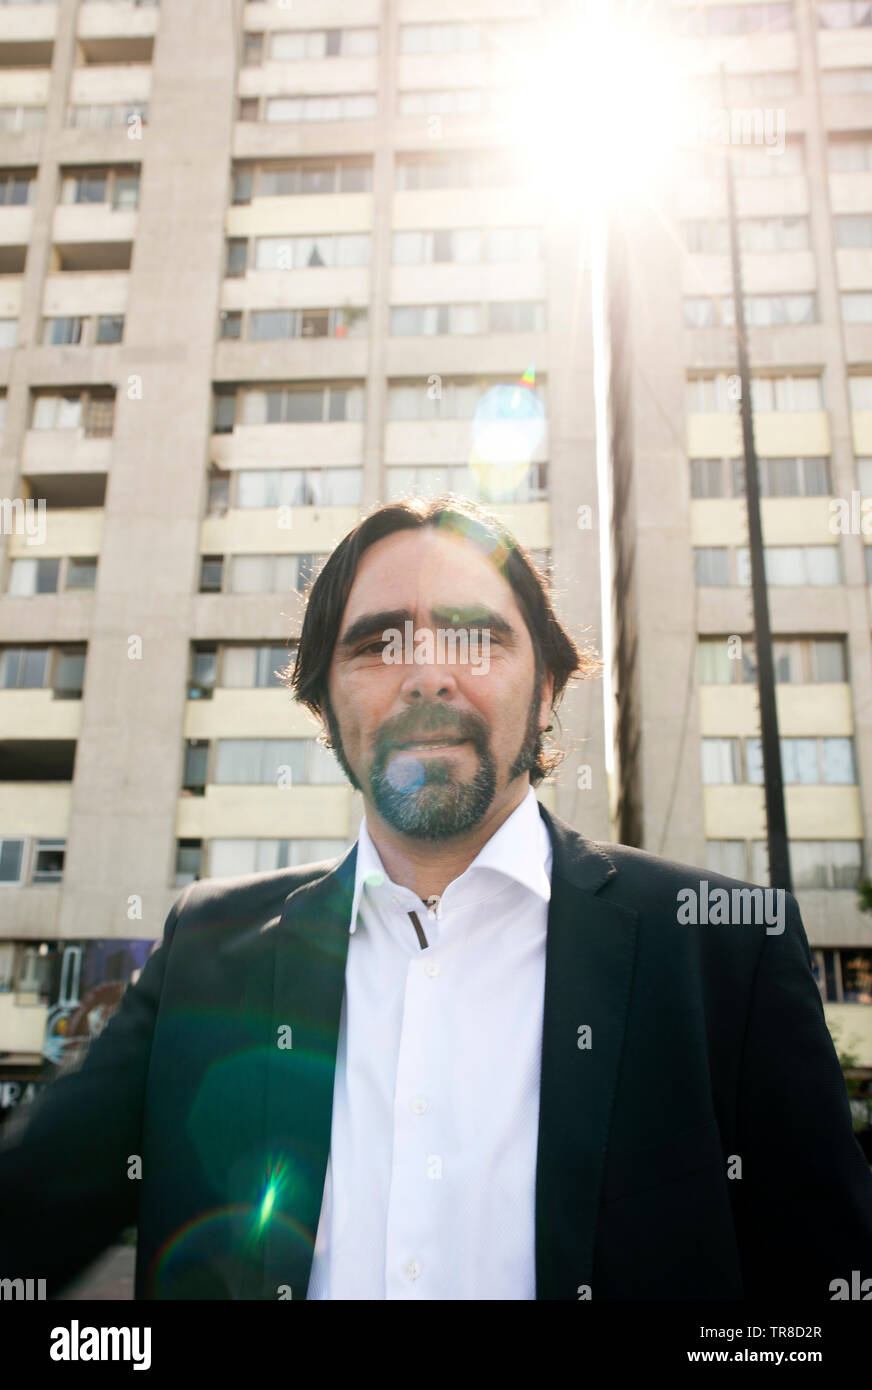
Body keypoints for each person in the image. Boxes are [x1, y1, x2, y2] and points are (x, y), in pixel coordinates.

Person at [1, 495, 871, 1300]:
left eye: (475, 638)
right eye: (379, 643)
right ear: (322, 702)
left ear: (548, 692)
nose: (426, 675)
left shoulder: (723, 952)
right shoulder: (208, 951)